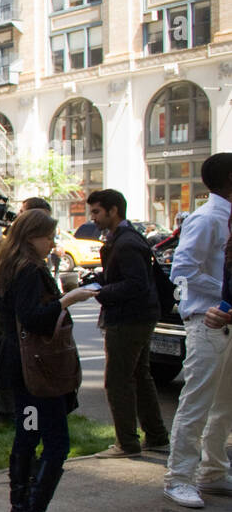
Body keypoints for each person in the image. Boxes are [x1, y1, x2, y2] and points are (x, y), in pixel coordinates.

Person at [0, 209, 98, 512]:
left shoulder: (10, 265)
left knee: (29, 432)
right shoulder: (29, 270)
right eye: (48, 236)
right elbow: (33, 317)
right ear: (31, 237)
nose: (52, 243)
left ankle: (21, 510)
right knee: (55, 441)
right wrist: (68, 300)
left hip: (21, 366)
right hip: (35, 369)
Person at [162, 154, 232, 508]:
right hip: (206, 321)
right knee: (197, 401)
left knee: (224, 404)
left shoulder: (222, 218)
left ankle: (213, 472)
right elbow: (182, 270)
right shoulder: (207, 219)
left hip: (224, 320)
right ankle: (179, 477)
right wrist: (225, 292)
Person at [86, 189, 170, 457]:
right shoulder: (124, 239)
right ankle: (155, 436)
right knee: (139, 375)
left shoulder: (127, 242)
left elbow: (136, 284)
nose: (93, 218)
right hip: (137, 317)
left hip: (129, 319)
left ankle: (127, 443)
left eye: (97, 212)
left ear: (113, 211)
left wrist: (100, 292)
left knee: (118, 380)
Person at [0, 198, 47, 424]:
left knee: (0, 361)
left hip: (3, 309)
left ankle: (7, 413)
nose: (16, 216)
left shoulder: (18, 246)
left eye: (23, 213)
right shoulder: (9, 241)